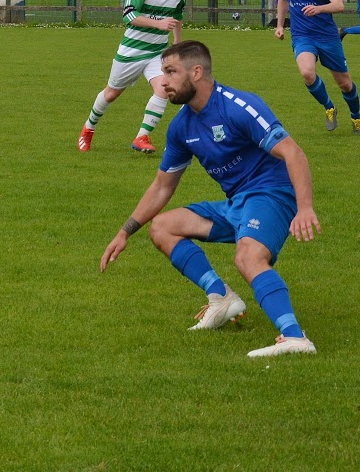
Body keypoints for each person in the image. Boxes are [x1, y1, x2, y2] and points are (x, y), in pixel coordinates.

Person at [99, 40, 321, 359]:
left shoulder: (238, 106)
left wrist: (305, 207)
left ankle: (295, 337)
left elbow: (293, 152)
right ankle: (221, 298)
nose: (163, 81)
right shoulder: (181, 127)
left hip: (271, 194)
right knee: (162, 227)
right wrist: (125, 231)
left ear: (197, 72)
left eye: (171, 72)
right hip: (236, 204)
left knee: (247, 257)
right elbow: (163, 186)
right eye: (163, 72)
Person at [79, 0, 185, 154]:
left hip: (157, 53)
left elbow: (177, 19)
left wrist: (177, 43)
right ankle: (88, 129)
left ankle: (142, 137)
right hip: (131, 53)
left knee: (164, 89)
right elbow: (129, 16)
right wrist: (158, 23)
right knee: (111, 94)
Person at [275, 0, 360, 134]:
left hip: (327, 37)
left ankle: (356, 117)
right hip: (302, 36)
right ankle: (329, 107)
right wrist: (280, 25)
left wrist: (319, 9)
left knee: (345, 84)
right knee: (307, 72)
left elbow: (339, 5)